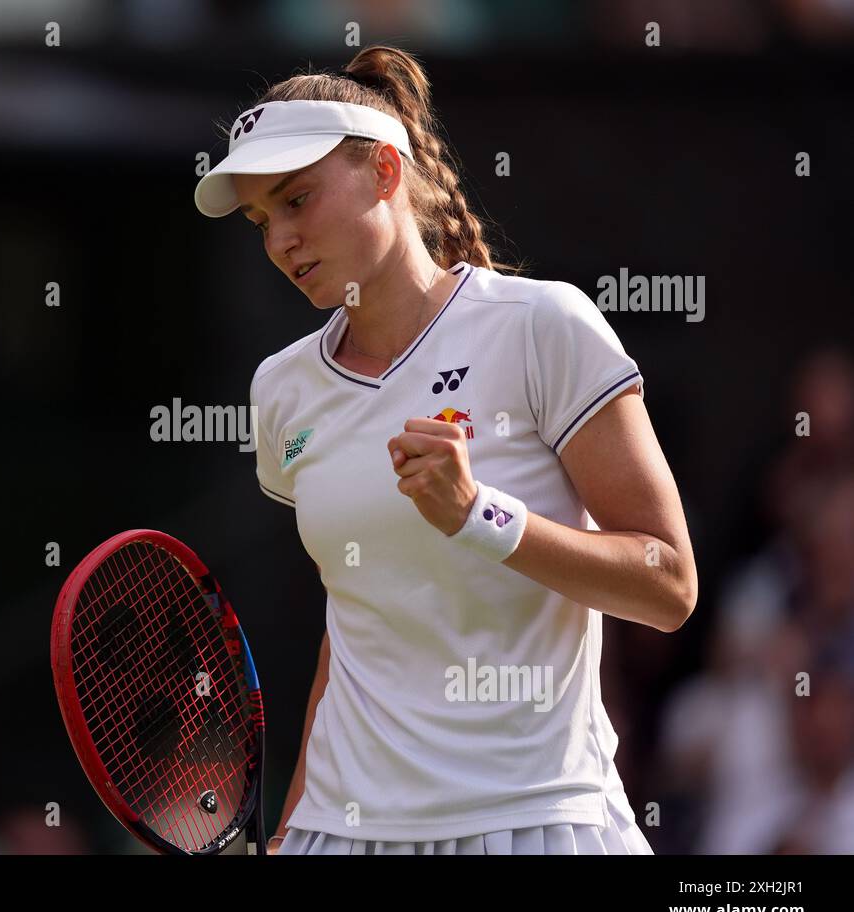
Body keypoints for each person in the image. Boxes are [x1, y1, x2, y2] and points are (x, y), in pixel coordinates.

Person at [194, 45, 697, 854]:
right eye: (261, 220)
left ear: (386, 171)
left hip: (537, 817)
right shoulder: (282, 390)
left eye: (297, 199)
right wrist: (292, 832)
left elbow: (668, 583)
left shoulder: (545, 326)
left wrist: (480, 515)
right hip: (343, 829)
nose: (281, 239)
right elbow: (355, 619)